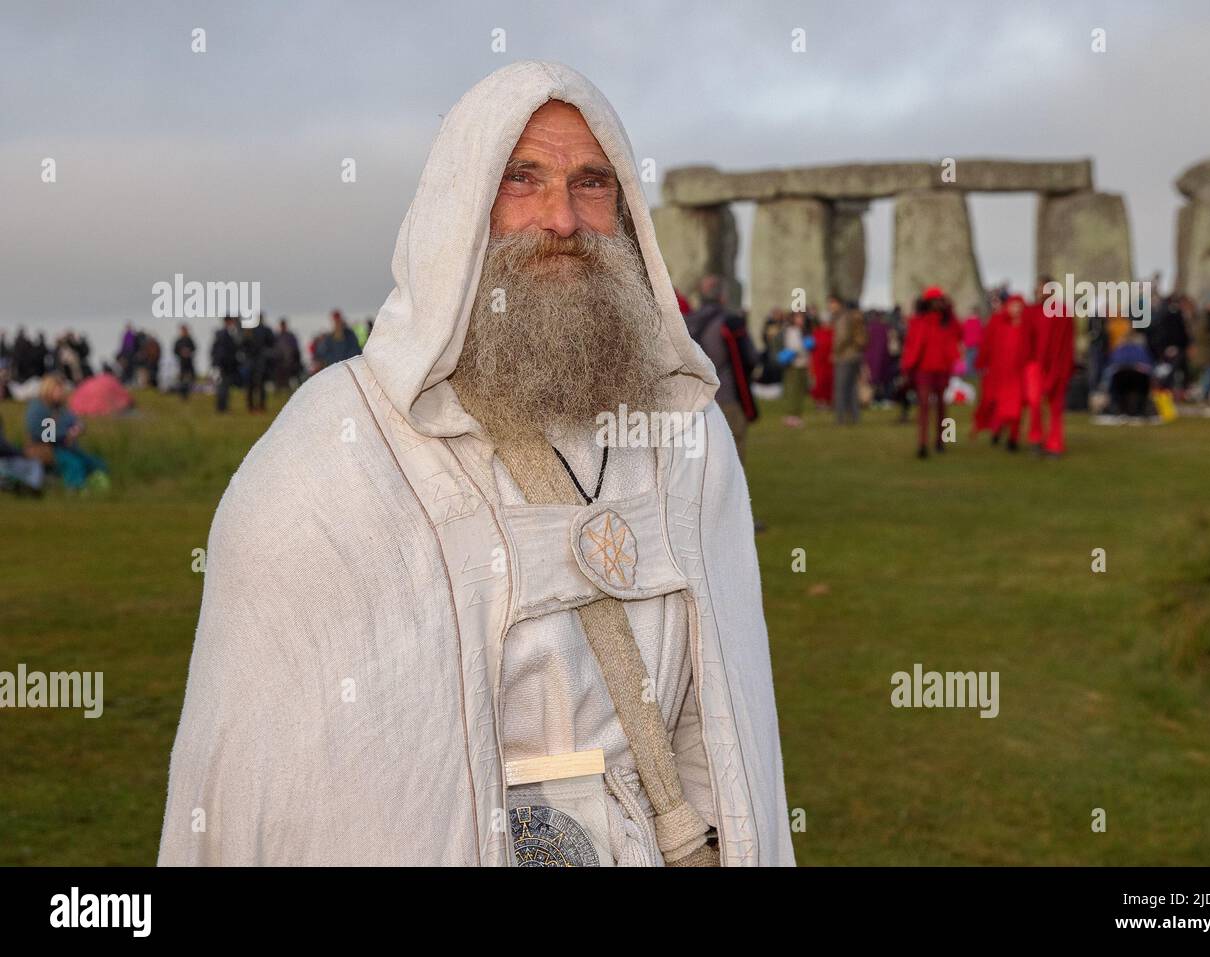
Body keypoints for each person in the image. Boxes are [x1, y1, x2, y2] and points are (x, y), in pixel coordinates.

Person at [159, 61, 794, 868]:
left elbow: (725, 732)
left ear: (629, 216)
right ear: (460, 205)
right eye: (520, 178)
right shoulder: (335, 455)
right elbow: (277, 785)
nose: (560, 217)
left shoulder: (686, 440)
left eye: (592, 183)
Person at [684, 274, 758, 463]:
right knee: (732, 452)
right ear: (723, 297)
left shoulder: (686, 323)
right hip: (726, 394)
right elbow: (750, 357)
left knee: (702, 457)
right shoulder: (730, 323)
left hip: (694, 399)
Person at [901, 287, 961, 458]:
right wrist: (908, 366)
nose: (937, 304)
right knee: (924, 406)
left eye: (940, 300)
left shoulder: (947, 321)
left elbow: (959, 333)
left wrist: (950, 308)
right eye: (935, 300)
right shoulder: (919, 321)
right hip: (924, 370)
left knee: (942, 406)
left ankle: (942, 440)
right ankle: (922, 443)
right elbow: (912, 345)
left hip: (942, 369)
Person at [23, 374, 109, 491]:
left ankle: (97, 487)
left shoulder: (61, 408)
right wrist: (67, 433)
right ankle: (75, 490)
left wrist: (79, 427)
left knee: (97, 464)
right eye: (57, 389)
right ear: (48, 389)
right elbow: (45, 435)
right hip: (45, 448)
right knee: (74, 464)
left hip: (65, 447)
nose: (60, 392)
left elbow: (76, 421)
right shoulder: (39, 408)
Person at [973, 293, 1035, 450]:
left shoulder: (1027, 327)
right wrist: (982, 363)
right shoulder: (997, 323)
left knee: (1016, 408)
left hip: (1018, 374)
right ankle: (997, 430)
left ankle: (1013, 438)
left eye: (1019, 307)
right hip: (999, 373)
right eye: (1014, 306)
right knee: (999, 405)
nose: (1016, 310)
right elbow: (987, 345)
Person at [1026, 279, 1075, 457]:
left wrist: (1064, 366)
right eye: (1037, 288)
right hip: (1035, 364)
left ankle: (1054, 443)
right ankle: (1036, 438)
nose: (1038, 291)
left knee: (1055, 406)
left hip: (1058, 364)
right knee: (1034, 403)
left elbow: (1066, 341)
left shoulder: (1062, 311)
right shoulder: (1031, 311)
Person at [829, 296, 867, 424]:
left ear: (839, 304)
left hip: (845, 356)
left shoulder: (843, 317)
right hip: (855, 355)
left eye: (832, 303)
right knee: (852, 388)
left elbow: (842, 337)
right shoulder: (853, 316)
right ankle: (855, 416)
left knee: (840, 388)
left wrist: (835, 352)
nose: (830, 306)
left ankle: (840, 418)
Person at [781, 311, 811, 427]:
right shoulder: (791, 331)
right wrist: (805, 346)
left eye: (802, 318)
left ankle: (797, 414)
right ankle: (791, 415)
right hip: (794, 365)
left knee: (800, 391)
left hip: (802, 364)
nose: (801, 320)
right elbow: (794, 347)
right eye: (798, 318)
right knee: (793, 391)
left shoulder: (802, 331)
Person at [210, 316, 241, 413]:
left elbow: (214, 350)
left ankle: (222, 407)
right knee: (223, 386)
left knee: (223, 386)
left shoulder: (221, 333)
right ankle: (222, 407)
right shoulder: (225, 334)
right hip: (225, 365)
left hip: (223, 364)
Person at [273, 318, 302, 392]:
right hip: (279, 362)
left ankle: (289, 390)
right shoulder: (277, 337)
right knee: (279, 377)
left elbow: (296, 349)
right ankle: (279, 390)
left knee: (290, 378)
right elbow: (274, 349)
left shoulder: (290, 336)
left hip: (290, 362)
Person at [174, 325, 197, 400]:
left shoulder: (190, 340)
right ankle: (182, 393)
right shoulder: (179, 340)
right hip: (182, 362)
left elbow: (194, 348)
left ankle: (190, 391)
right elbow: (175, 350)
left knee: (192, 377)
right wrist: (181, 353)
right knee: (182, 378)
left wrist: (188, 352)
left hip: (189, 362)